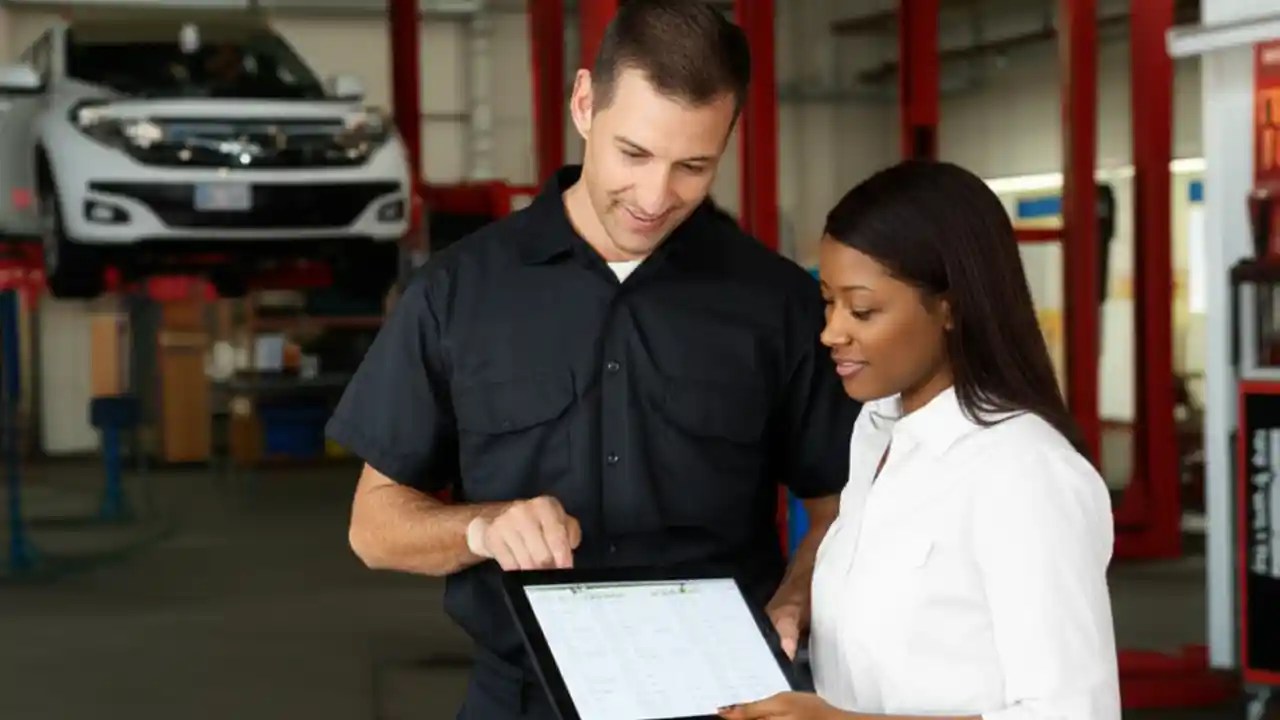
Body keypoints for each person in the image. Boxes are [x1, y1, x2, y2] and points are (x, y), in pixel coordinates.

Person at [323, 2, 861, 718]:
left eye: (693, 166)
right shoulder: (457, 293)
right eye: (633, 154)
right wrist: (480, 528)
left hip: (726, 700)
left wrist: (796, 599)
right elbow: (374, 526)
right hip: (521, 700)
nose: (654, 196)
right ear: (584, 103)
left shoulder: (777, 304)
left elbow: (843, 511)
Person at [718, 160, 1121, 720]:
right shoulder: (875, 433)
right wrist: (797, 609)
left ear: (950, 308)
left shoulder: (1025, 473)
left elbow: (1073, 713)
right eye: (828, 302)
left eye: (862, 309)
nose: (832, 332)